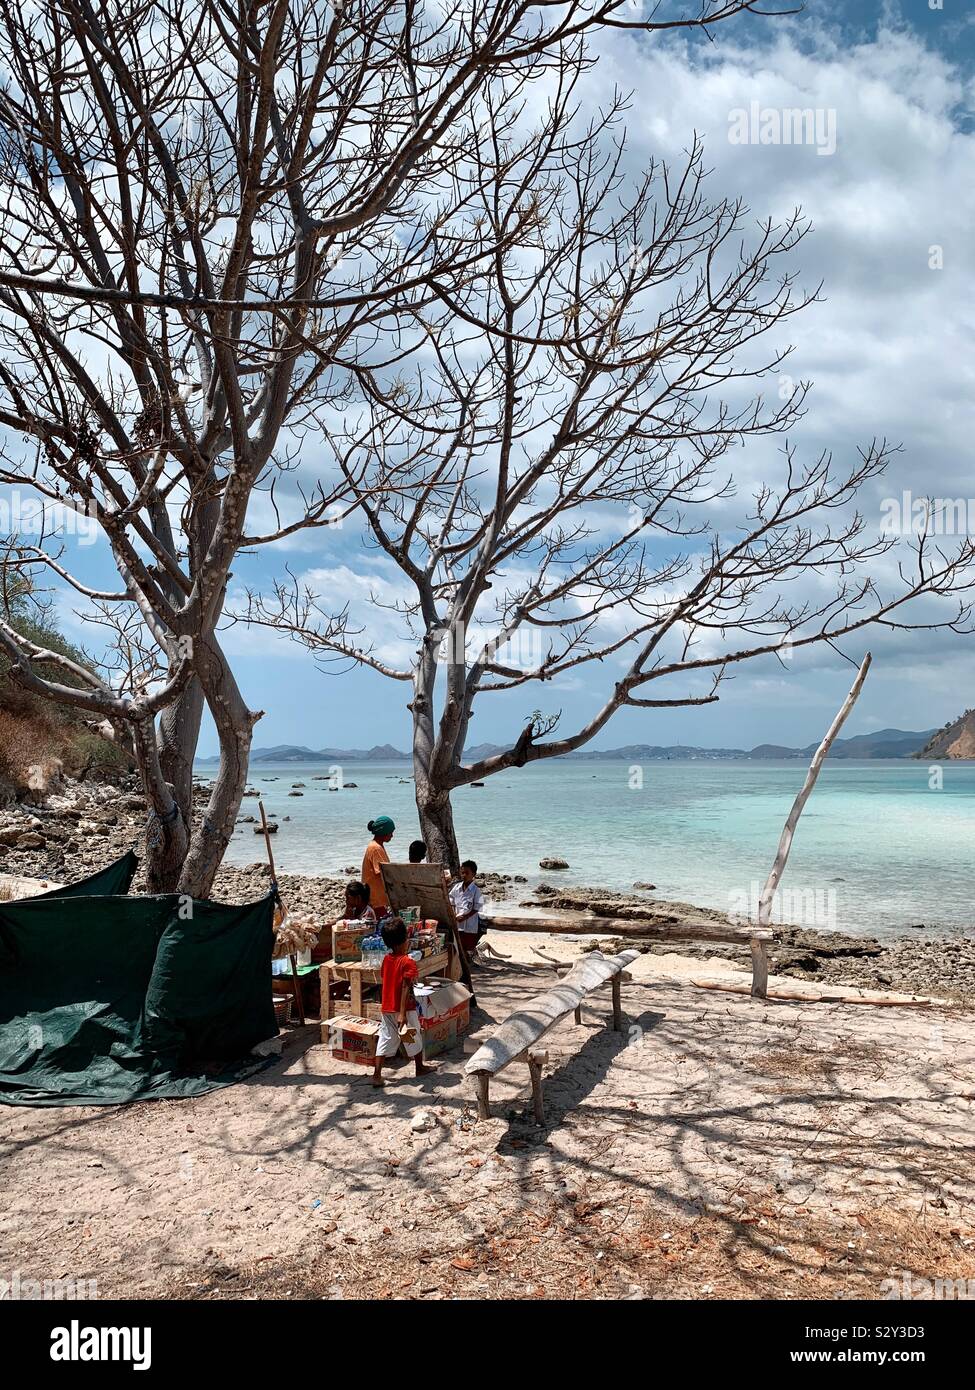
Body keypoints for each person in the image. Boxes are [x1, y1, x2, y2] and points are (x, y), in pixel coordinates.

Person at [371, 918, 437, 1087]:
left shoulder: (386, 959)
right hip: (404, 1008)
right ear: (405, 940)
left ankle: (377, 1074)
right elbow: (406, 988)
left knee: (385, 1038)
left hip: (387, 1007)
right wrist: (402, 1013)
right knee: (413, 1036)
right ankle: (419, 1067)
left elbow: (386, 980)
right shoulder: (408, 962)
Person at [449, 859, 484, 960]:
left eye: (467, 873)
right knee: (458, 946)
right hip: (457, 923)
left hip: (470, 925)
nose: (464, 875)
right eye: (462, 872)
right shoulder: (456, 888)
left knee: (467, 947)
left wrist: (465, 917)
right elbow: (451, 901)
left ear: (473, 874)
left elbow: (478, 908)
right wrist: (453, 914)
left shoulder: (476, 891)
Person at [361, 816, 395, 914]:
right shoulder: (376, 848)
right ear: (383, 832)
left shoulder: (375, 845)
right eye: (390, 832)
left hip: (375, 898)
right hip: (376, 900)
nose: (392, 835)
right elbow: (382, 872)